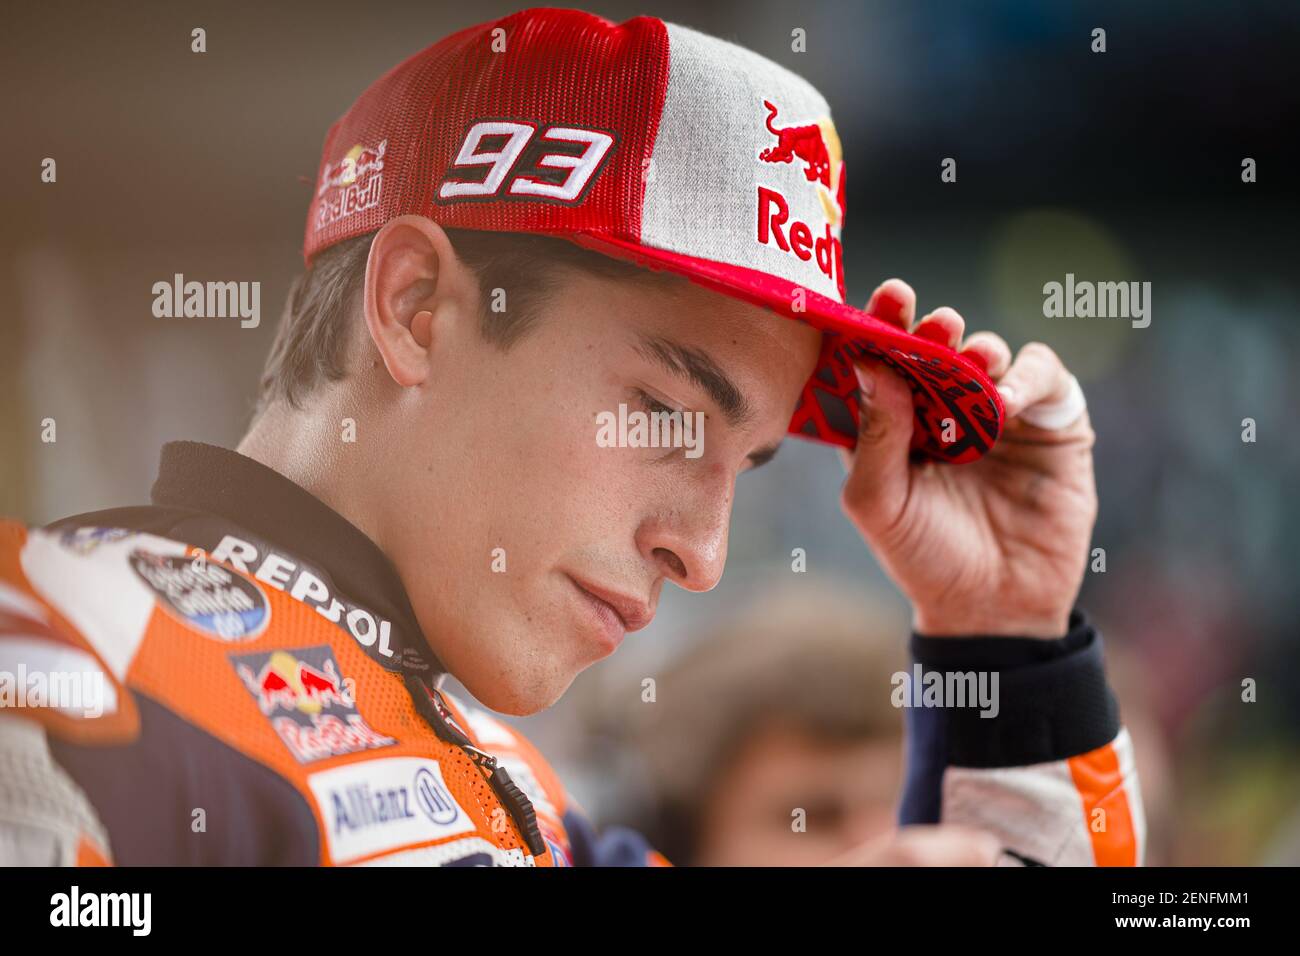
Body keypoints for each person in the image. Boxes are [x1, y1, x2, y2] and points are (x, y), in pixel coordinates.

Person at [0, 7, 1142, 866]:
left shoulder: (523, 798)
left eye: (746, 463)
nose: (701, 552)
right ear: (413, 307)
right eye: (663, 412)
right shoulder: (60, 656)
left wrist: (1004, 631)